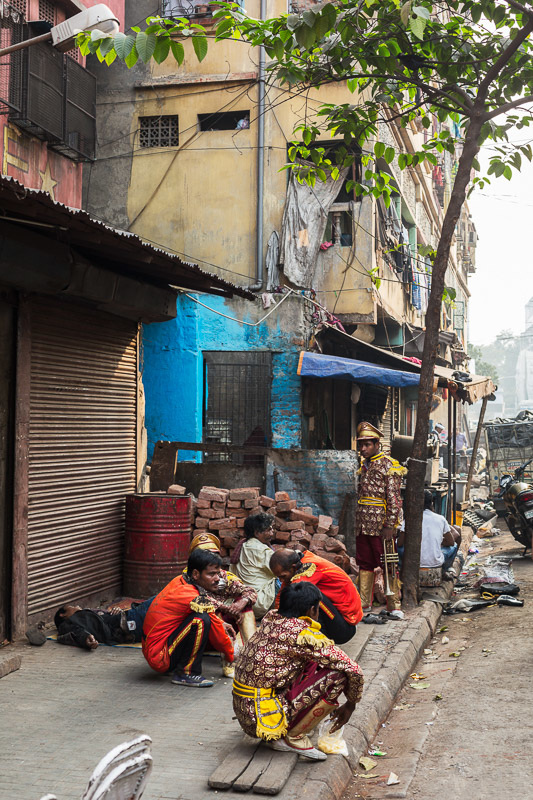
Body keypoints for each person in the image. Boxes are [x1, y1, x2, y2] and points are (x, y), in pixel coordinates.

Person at [232, 582, 364, 761]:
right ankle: (293, 736)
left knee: (316, 662)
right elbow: (354, 669)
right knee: (339, 675)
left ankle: (292, 726)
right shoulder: (302, 635)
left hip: (245, 711)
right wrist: (350, 705)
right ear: (312, 610)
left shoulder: (272, 618)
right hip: (264, 717)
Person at [142, 549, 234, 688]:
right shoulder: (190, 594)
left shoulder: (181, 580)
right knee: (200, 620)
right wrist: (232, 655)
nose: (217, 579)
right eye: (211, 574)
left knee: (203, 618)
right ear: (196, 574)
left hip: (158, 647)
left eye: (218, 574)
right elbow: (218, 635)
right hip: (159, 656)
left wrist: (221, 622)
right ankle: (187, 673)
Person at [188, 531, 258, 676]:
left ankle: (253, 654)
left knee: (244, 603)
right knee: (212, 611)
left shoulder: (223, 575)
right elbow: (196, 600)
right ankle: (229, 659)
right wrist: (225, 607)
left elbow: (249, 591)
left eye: (212, 554)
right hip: (198, 634)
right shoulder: (187, 578)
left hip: (223, 631)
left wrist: (241, 602)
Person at [354, 421, 405, 616]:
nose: (363, 448)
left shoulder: (389, 466)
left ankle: (394, 604)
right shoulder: (363, 466)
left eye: (367, 444)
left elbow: (394, 499)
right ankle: (364, 602)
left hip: (381, 524)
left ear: (377, 445)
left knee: (388, 563)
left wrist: (390, 525)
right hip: (362, 524)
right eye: (361, 444)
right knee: (364, 563)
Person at [269, 548, 362, 644]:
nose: (280, 580)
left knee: (305, 595)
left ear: (293, 567)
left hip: (345, 627)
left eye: (283, 576)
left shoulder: (309, 568)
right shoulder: (296, 566)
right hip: (337, 618)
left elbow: (290, 597)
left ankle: (319, 642)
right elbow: (282, 595)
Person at [398, 490, 462, 587]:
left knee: (397, 547)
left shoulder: (410, 519)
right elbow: (451, 542)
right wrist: (437, 543)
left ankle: (401, 569)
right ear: (431, 503)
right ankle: (445, 569)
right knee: (454, 547)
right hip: (435, 562)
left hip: (413, 561)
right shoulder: (440, 518)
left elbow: (399, 543)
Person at [54, 598, 154, 650]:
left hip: (130, 617)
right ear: (63, 614)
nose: (77, 606)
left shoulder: (86, 615)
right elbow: (76, 632)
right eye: (72, 606)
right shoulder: (67, 624)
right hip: (131, 622)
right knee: (166, 596)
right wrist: (86, 638)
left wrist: (117, 610)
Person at [230, 513, 279, 618]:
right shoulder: (259, 549)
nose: (272, 532)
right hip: (258, 602)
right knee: (285, 577)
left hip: (240, 600)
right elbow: (281, 565)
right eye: (269, 529)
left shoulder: (244, 545)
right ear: (257, 533)